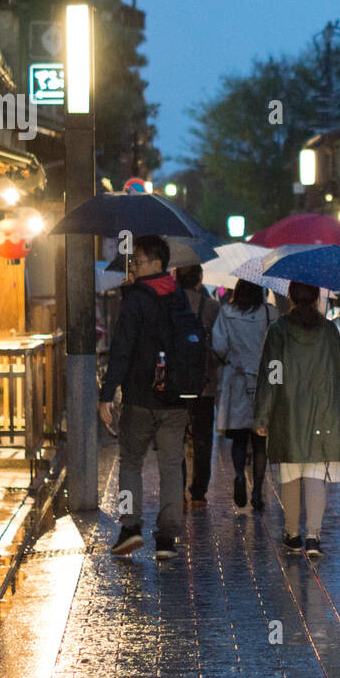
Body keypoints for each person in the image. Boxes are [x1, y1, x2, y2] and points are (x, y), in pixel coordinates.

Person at [100, 235, 187, 560]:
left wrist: (108, 393)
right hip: (176, 398)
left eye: (137, 261)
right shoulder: (179, 296)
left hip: (140, 396)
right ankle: (167, 539)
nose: (133, 266)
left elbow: (122, 349)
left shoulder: (136, 299)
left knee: (131, 463)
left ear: (154, 263)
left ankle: (130, 528)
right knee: (170, 466)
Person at [254, 281, 340, 557]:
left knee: (291, 475)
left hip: (287, 411)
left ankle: (292, 534)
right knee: (315, 474)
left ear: (290, 297)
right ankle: (313, 537)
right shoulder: (328, 329)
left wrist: (262, 414)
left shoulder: (279, 330)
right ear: (318, 297)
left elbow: (271, 375)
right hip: (322, 412)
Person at [212, 280, 276, 510]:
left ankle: (240, 475)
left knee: (239, 437)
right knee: (260, 441)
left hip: (236, 380)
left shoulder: (226, 312)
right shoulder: (270, 313)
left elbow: (218, 345)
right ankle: (258, 491)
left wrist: (231, 358)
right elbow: (277, 347)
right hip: (263, 381)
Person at [176, 265, 220, 505]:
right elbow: (221, 344)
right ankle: (199, 491)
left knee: (177, 438)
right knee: (203, 439)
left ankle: (179, 487)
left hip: (178, 384)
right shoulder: (212, 307)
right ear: (199, 279)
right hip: (205, 383)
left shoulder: (169, 304)